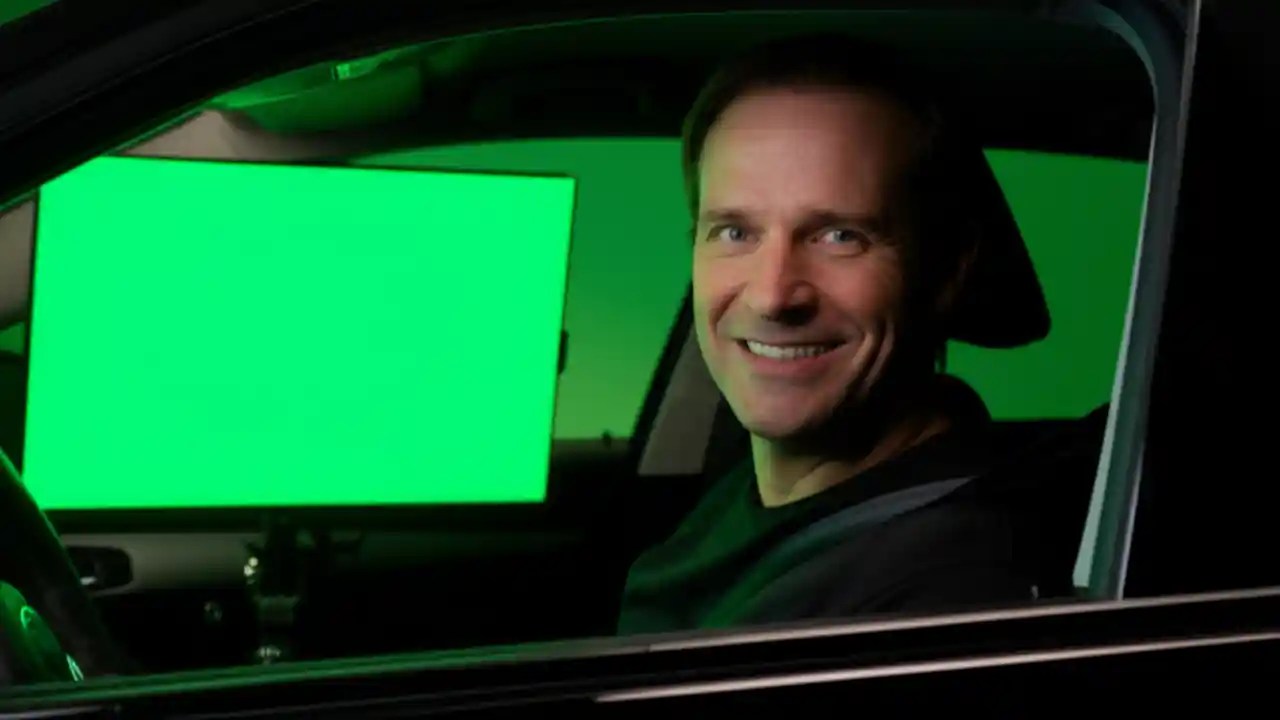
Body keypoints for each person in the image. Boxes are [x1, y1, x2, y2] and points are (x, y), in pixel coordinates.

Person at [616, 34, 1057, 634]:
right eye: (735, 233)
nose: (772, 295)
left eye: (840, 237)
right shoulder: (751, 500)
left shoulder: (947, 587)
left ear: (947, 270)